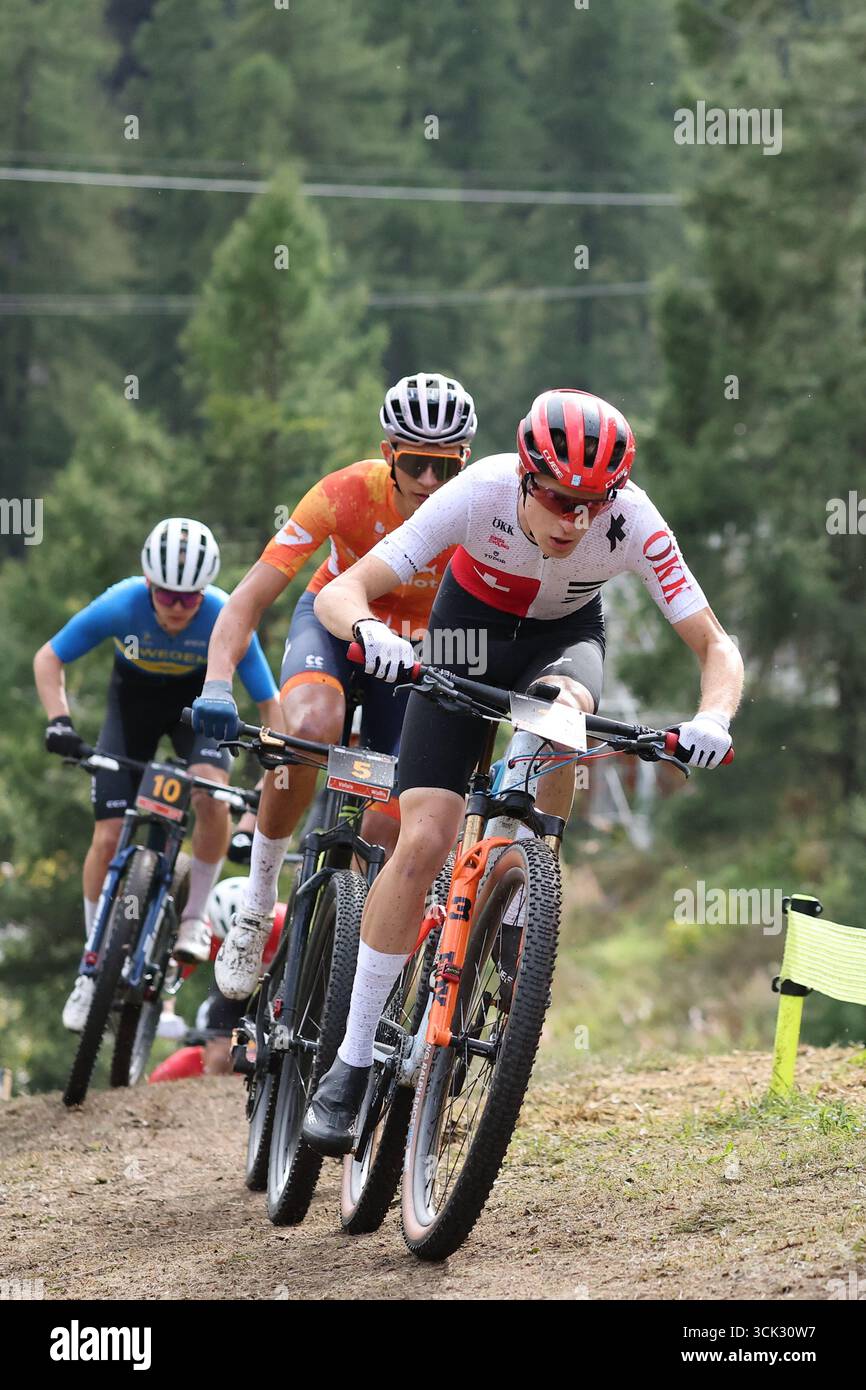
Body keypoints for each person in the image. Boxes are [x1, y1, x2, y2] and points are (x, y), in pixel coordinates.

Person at [301, 387, 746, 1152]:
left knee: (563, 708)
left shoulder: (632, 519)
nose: (577, 521)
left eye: (593, 504)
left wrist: (714, 718)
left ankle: (516, 899)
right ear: (526, 481)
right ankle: (349, 1057)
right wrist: (372, 630)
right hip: (466, 636)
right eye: (562, 501)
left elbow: (716, 647)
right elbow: (345, 590)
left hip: (563, 644)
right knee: (426, 834)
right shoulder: (478, 492)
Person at [190, 372, 477, 1002]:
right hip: (336, 620)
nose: (430, 483)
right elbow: (245, 602)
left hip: (420, 650)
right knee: (310, 729)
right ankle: (260, 902)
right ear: (389, 456)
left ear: (466, 462)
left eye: (445, 467)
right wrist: (216, 684)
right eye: (417, 463)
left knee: (395, 814)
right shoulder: (343, 494)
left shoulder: (478, 512)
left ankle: (354, 955)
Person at [34, 517, 280, 1031]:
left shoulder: (221, 613)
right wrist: (59, 721)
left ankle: (192, 919)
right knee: (105, 836)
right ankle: (91, 964)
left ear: (203, 594)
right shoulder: (121, 603)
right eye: (165, 594)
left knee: (211, 799)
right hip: (133, 708)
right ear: (148, 584)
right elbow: (49, 657)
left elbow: (269, 703)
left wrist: (265, 780)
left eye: (188, 598)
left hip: (199, 708)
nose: (175, 606)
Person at [148, 876, 286, 1082]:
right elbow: (175, 975)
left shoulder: (283, 923)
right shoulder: (208, 934)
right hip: (234, 986)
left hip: (281, 985)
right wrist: (166, 1013)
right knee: (222, 1054)